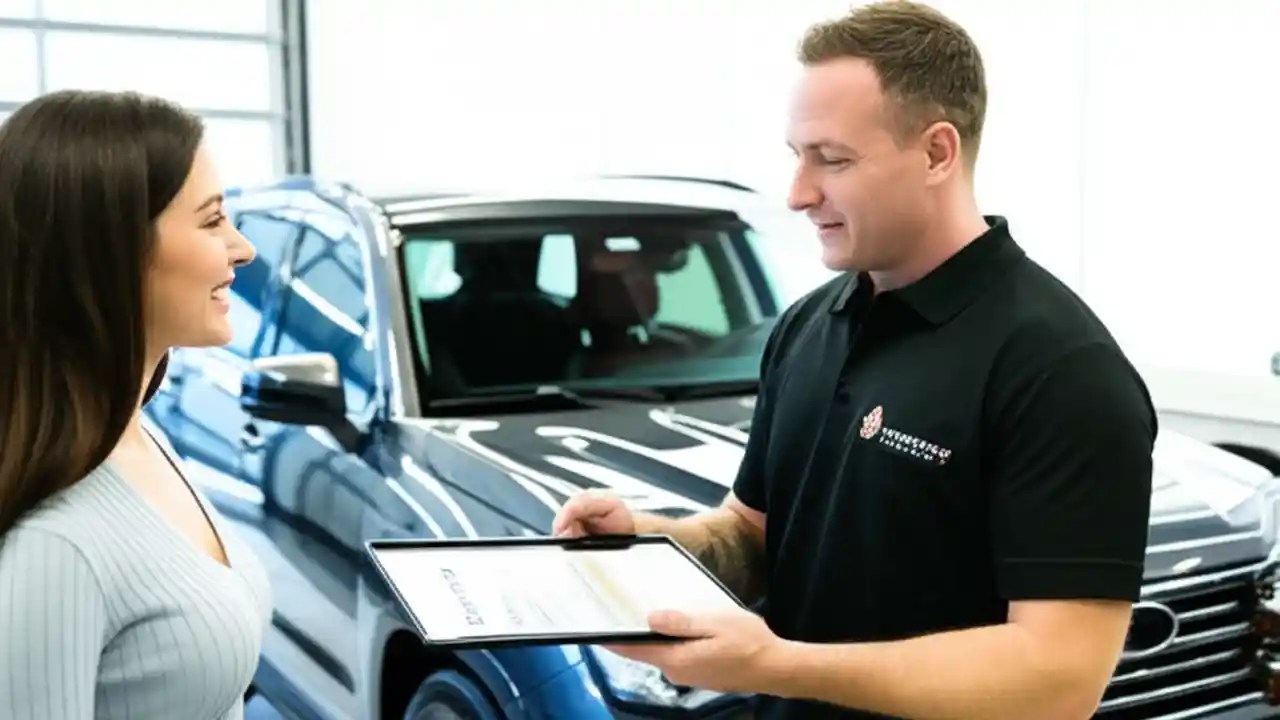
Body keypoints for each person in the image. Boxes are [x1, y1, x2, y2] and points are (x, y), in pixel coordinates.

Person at [552, 2, 1156, 718]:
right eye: (796, 156)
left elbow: (1056, 679)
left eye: (832, 160)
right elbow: (752, 534)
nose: (799, 193)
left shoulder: (1060, 368)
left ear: (937, 152)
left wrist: (781, 664)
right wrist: (652, 540)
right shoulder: (809, 326)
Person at [0, 90, 271, 719]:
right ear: (113, 252)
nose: (242, 248)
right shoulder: (52, 545)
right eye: (211, 221)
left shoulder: (136, 438)